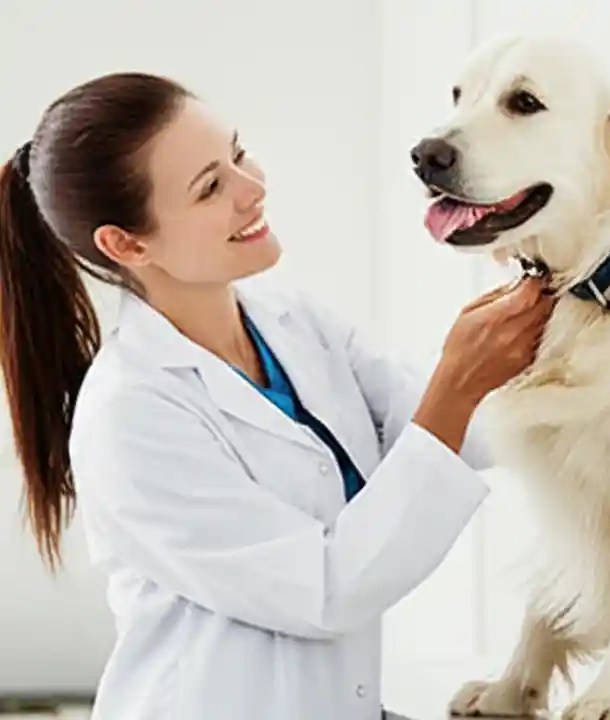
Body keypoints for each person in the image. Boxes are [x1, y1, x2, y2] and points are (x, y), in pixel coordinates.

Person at [0, 72, 553, 719]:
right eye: (211, 187)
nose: (253, 188)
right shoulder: (130, 415)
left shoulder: (285, 316)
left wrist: (572, 304)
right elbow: (327, 590)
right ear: (127, 244)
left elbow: (436, 418)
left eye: (237, 153)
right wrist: (460, 381)